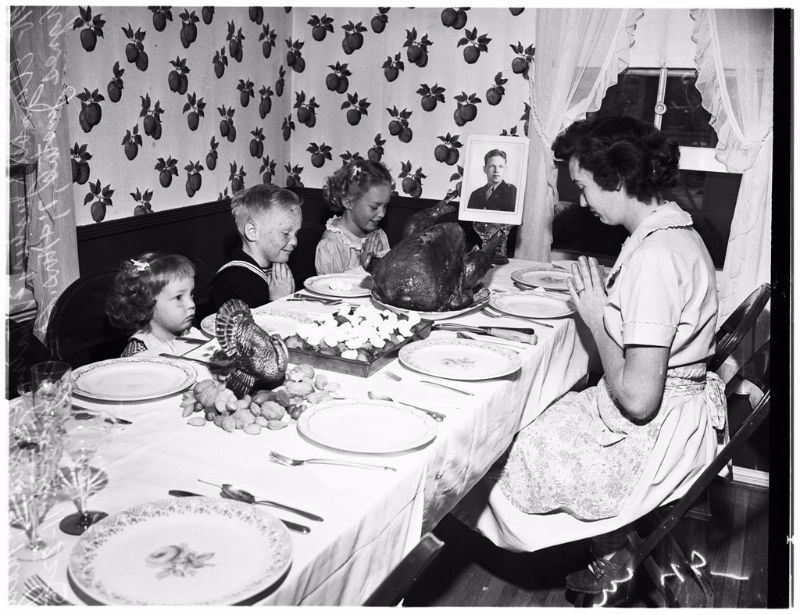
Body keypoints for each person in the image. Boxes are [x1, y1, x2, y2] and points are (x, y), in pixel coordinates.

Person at [453, 116, 726, 596]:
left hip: (658, 433)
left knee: (492, 443)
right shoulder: (673, 230)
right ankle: (611, 542)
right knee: (532, 407)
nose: (580, 200)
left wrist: (598, 317)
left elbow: (640, 401)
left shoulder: (656, 258)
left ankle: (609, 546)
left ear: (616, 180)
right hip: (682, 409)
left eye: (583, 186)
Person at [210, 184, 302, 310]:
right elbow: (244, 328)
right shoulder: (232, 282)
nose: (294, 241)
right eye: (286, 233)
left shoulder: (277, 269)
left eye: (296, 233)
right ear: (252, 232)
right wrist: (277, 301)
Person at [106, 252, 201, 356]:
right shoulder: (138, 355)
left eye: (191, 294)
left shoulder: (190, 333)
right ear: (147, 303)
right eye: (178, 297)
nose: (191, 304)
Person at [316, 159, 392, 275]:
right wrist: (363, 268)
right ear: (348, 202)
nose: (382, 214)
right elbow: (332, 290)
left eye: (385, 206)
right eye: (374, 207)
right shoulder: (331, 245)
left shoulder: (379, 237)